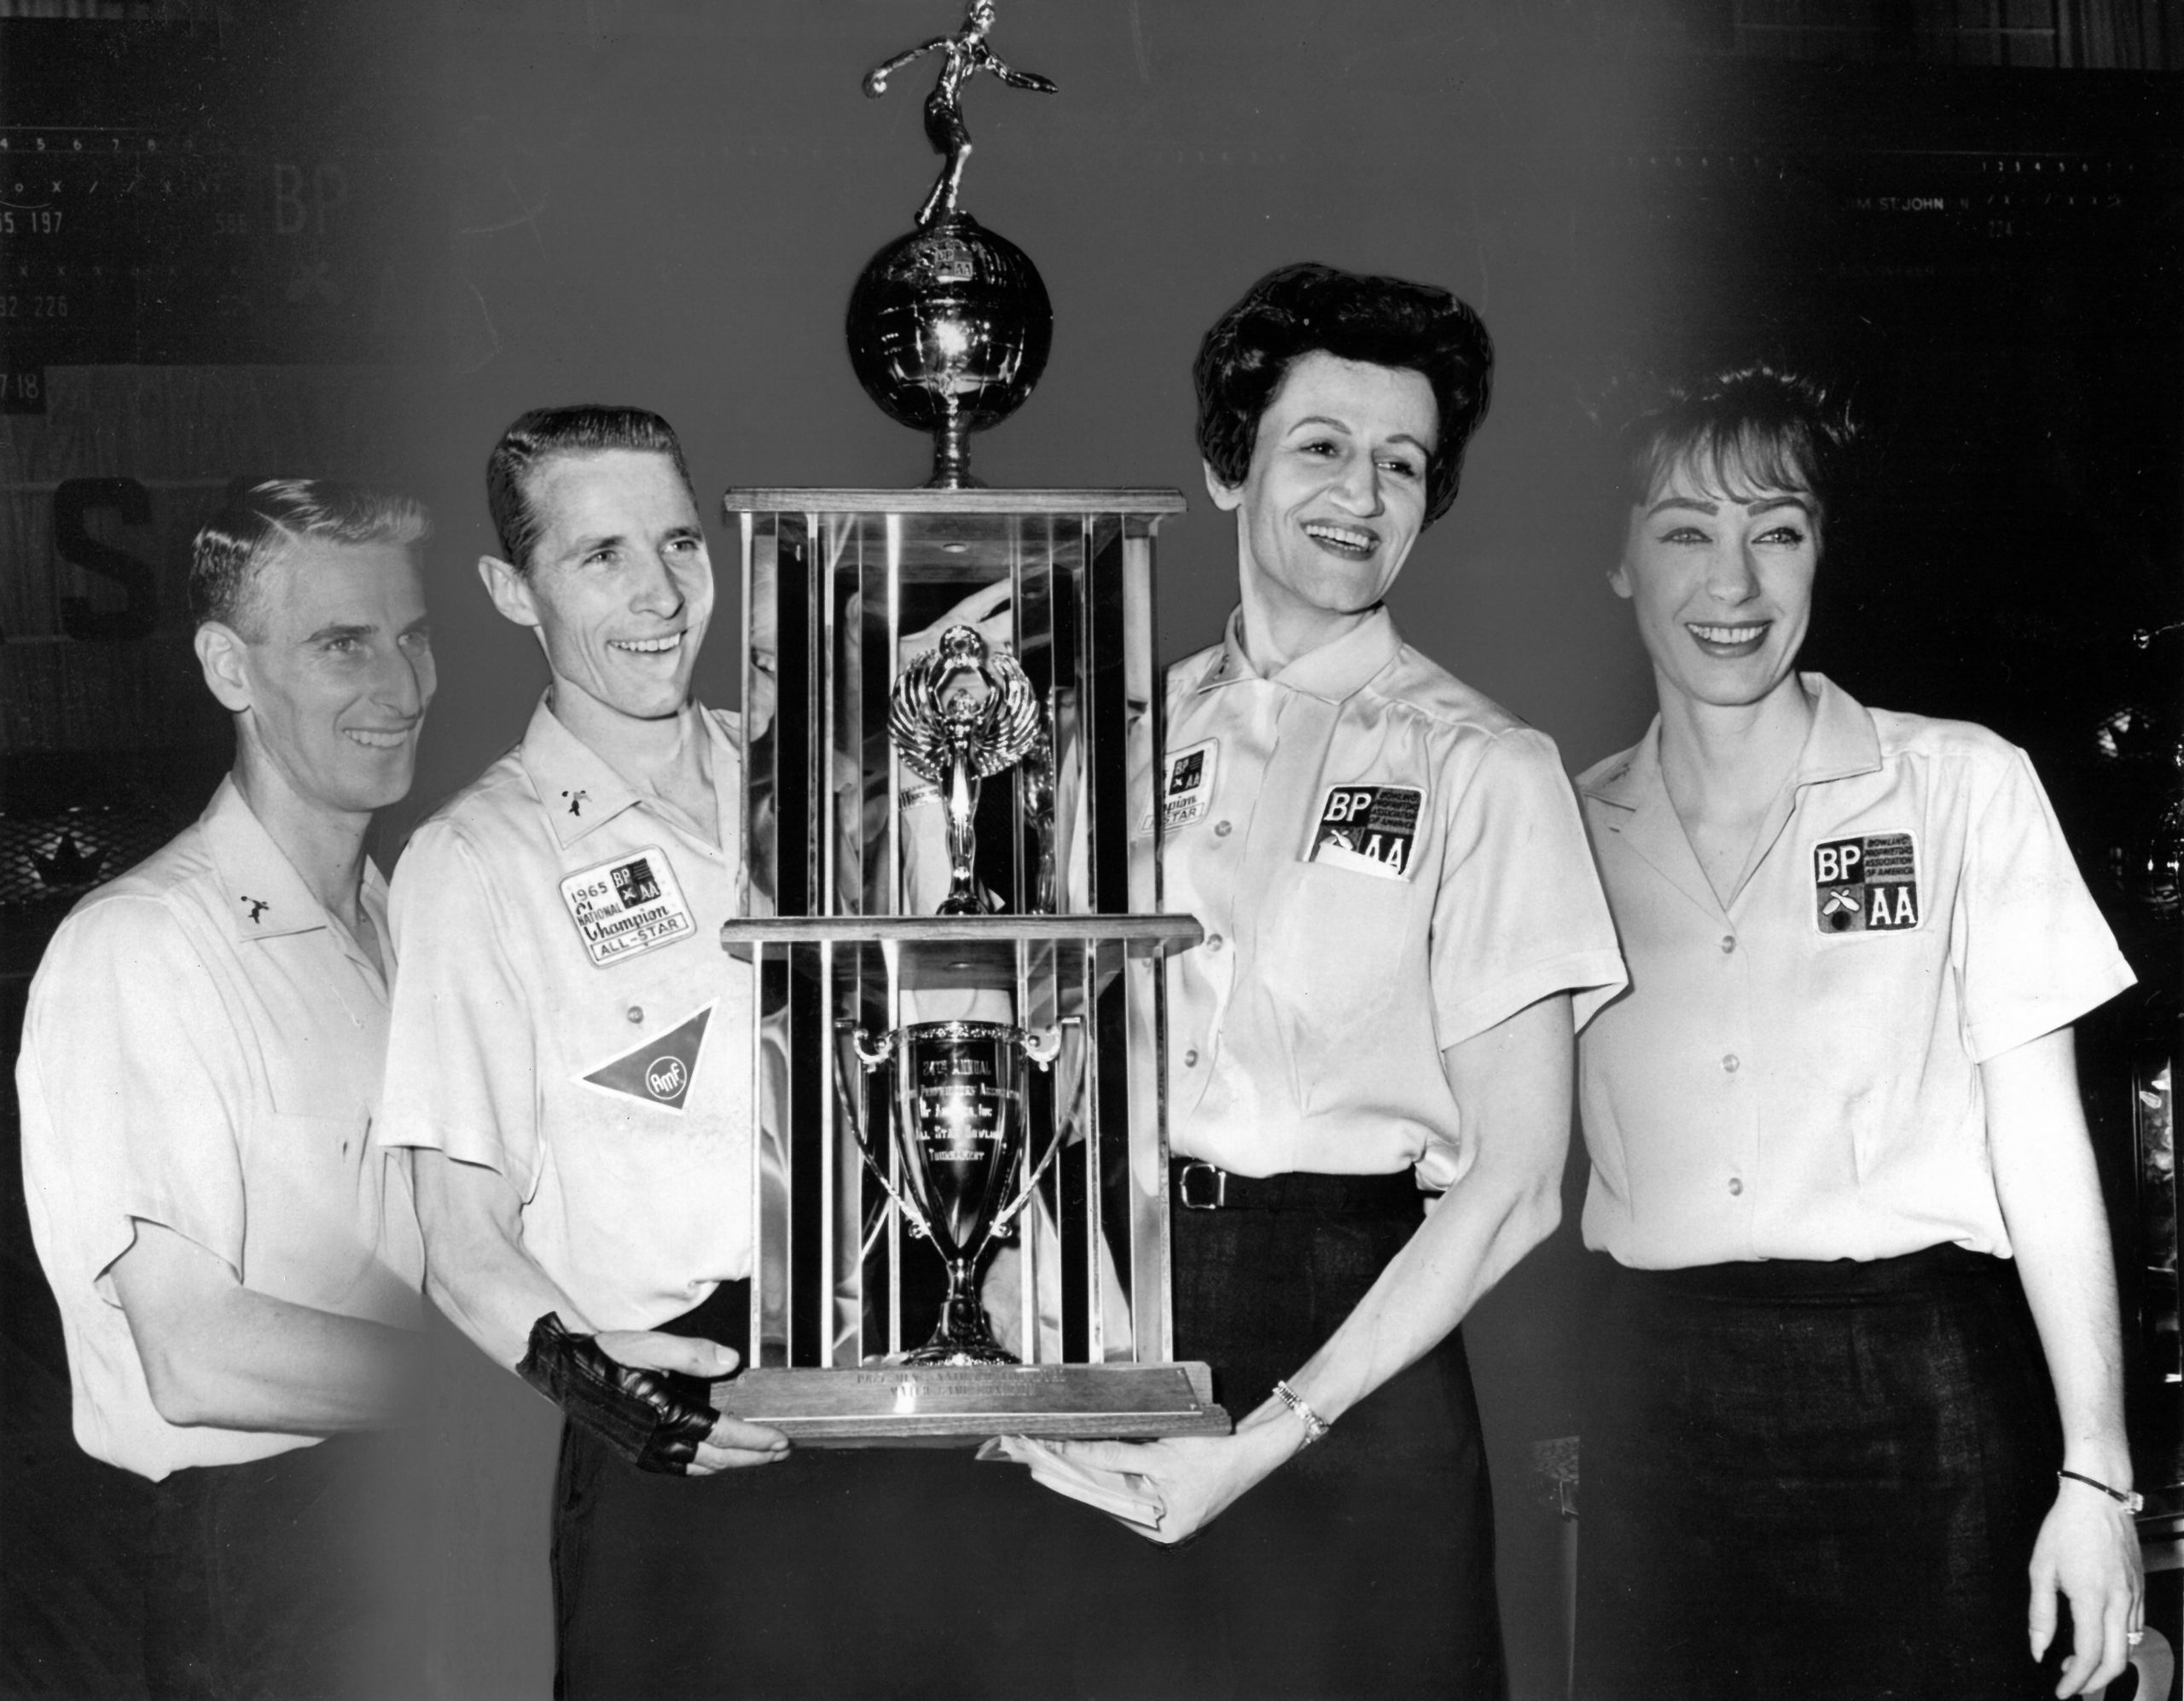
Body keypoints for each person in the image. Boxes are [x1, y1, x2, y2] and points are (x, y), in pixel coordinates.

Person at [377, 404, 1072, 1699]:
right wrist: (592, 1382)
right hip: (688, 1431)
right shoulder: (476, 861)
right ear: (512, 590)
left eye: (680, 544)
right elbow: (455, 1229)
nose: (659, 594)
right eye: (600, 556)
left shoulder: (830, 785)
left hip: (902, 1389)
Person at [1032, 262, 1628, 1699]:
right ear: (1227, 467)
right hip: (1119, 1320)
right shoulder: (1114, 742)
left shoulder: (1488, 766)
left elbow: (1518, 1184)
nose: (1363, 493)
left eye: (1403, 463)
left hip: (1362, 1350)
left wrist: (1268, 1434)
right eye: (1321, 445)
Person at [1571, 364, 2146, 1700]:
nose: (1734, 583)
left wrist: (2097, 1474)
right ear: (1620, 561)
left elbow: (2043, 1148)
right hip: (1659, 1399)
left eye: (1776, 529)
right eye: (1685, 531)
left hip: (1923, 1389)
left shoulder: (1960, 784)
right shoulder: (1557, 828)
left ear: (1823, 547)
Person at [16, 479, 436, 1698]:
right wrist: (520, 1382)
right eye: (342, 643)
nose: (401, 686)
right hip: (259, 1557)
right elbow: (197, 1353)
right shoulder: (142, 945)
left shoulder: (407, 919)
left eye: (412, 635)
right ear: (228, 667)